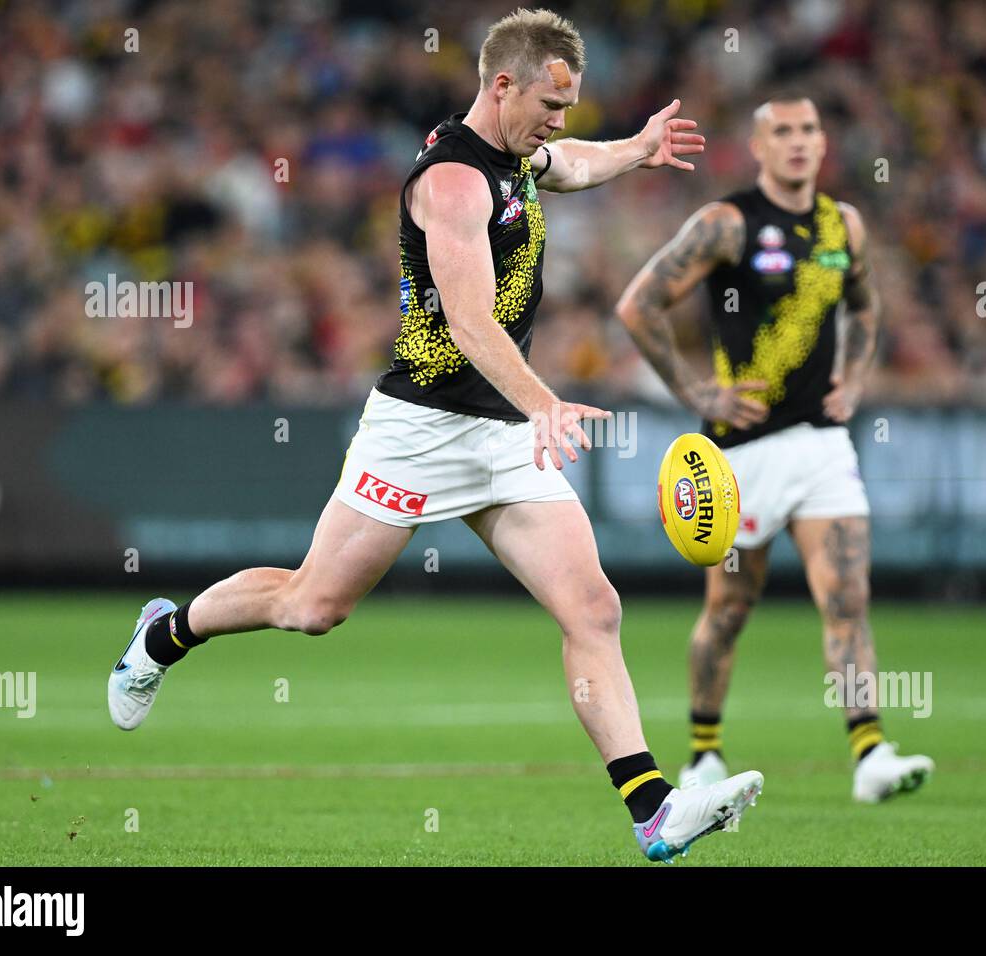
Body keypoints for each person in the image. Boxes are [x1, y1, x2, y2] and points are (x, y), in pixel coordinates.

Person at [107, 8, 762, 862]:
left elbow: (571, 163)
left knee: (594, 608)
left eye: (569, 106)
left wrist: (636, 149)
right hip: (418, 429)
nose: (560, 122)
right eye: (552, 105)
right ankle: (164, 633)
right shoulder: (452, 180)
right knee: (314, 607)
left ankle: (653, 810)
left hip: (499, 433)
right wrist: (545, 405)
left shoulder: (521, 154)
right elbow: (469, 322)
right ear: (502, 85)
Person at [615, 92, 934, 803]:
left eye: (810, 129)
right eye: (782, 131)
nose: (798, 142)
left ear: (824, 144)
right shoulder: (725, 224)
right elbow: (638, 304)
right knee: (728, 611)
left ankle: (870, 751)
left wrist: (853, 378)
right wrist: (696, 393)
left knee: (847, 598)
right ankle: (703, 753)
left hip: (821, 445)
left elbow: (866, 304)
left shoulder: (842, 224)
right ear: (758, 148)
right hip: (742, 453)